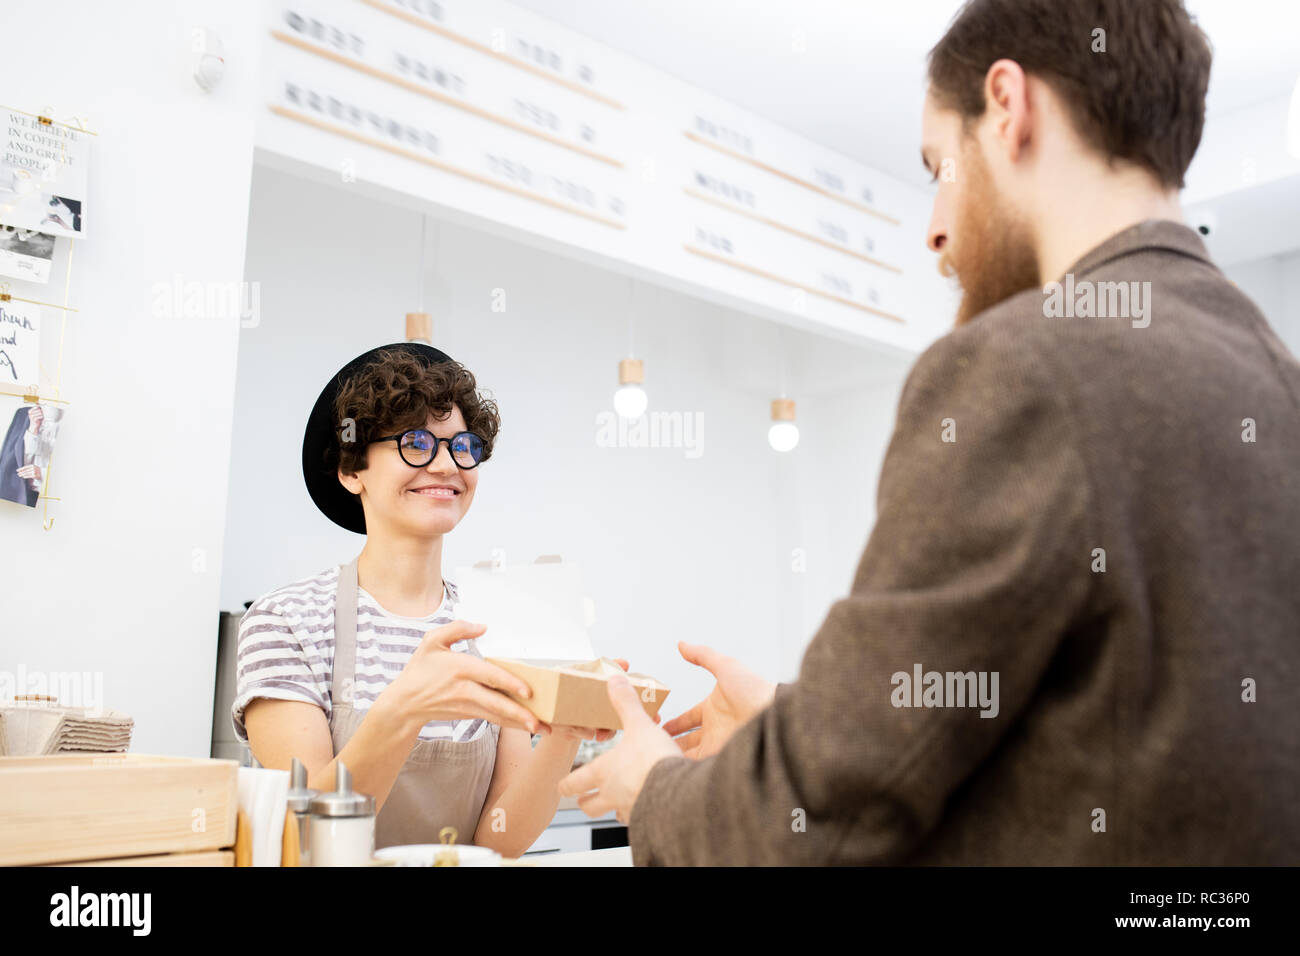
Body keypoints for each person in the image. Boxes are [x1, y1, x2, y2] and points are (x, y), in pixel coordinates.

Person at [559, 0, 1300, 864]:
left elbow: (817, 823)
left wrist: (653, 787)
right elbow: (1112, 735)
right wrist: (804, 722)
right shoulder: (1275, 379)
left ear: (1009, 105)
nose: (935, 228)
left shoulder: (1024, 366)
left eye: (937, 167)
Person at [234, 343, 619, 856]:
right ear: (352, 470)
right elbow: (305, 834)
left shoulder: (494, 624)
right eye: (416, 443)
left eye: (462, 446)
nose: (445, 465)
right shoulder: (286, 620)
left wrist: (565, 731)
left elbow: (500, 840)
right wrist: (406, 707)